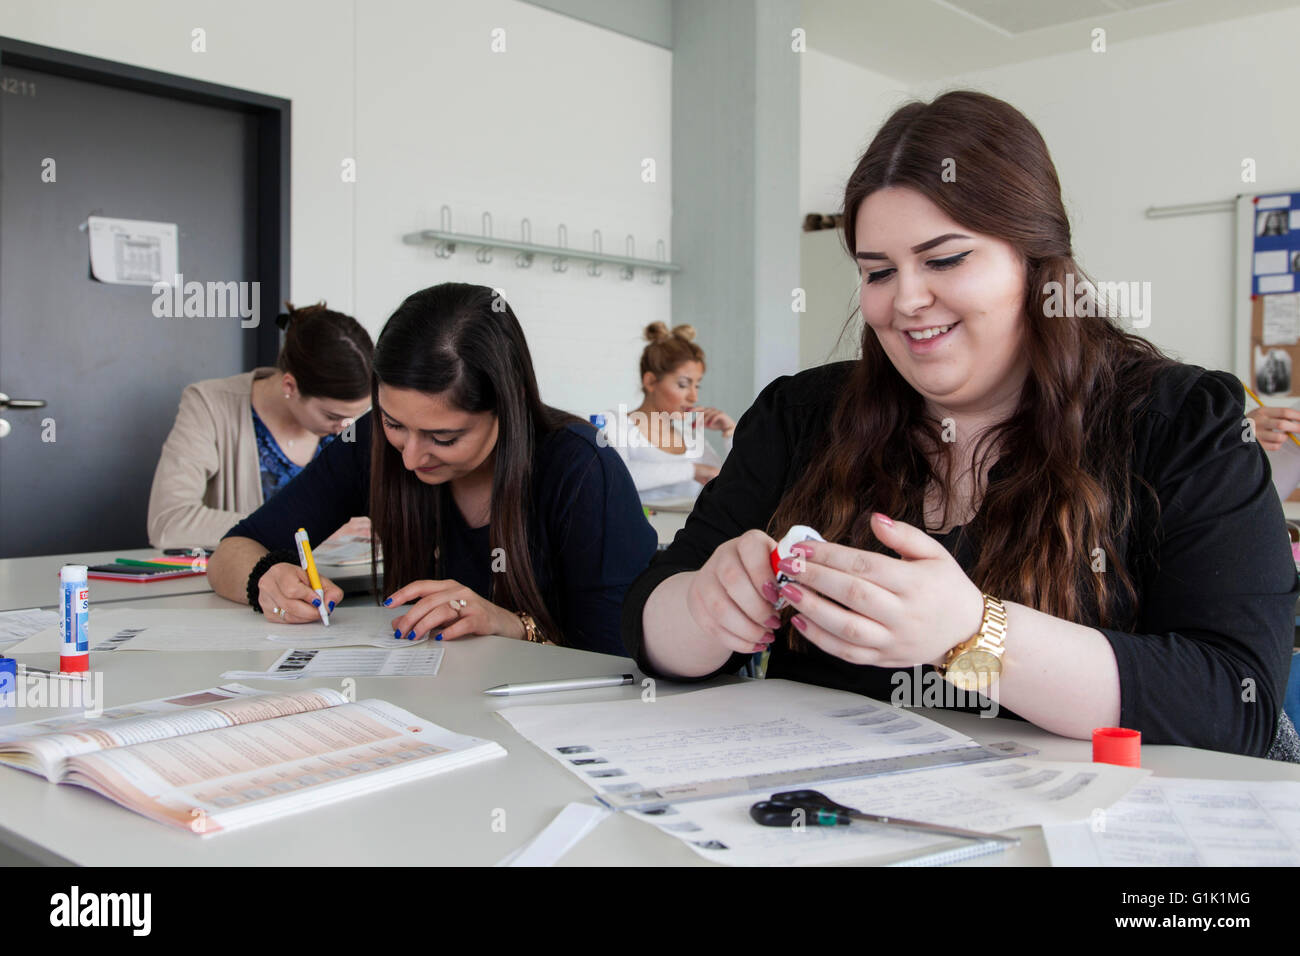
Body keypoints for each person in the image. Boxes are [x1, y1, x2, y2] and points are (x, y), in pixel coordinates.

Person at [622, 90, 1300, 761]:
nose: (908, 300)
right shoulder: (800, 418)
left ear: (1035, 263)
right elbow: (651, 618)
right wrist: (704, 610)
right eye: (879, 271)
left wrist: (973, 638)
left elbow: (1233, 698)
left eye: (945, 259)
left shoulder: (1177, 422)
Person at [207, 283, 656, 655]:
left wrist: (515, 627)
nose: (410, 458)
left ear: (511, 402)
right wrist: (266, 578)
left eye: (444, 438)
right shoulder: (370, 442)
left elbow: (619, 651)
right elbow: (235, 549)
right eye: (394, 423)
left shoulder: (580, 469)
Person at [147, 303, 374, 549]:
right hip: (243, 583)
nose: (345, 429)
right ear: (290, 386)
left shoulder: (348, 426)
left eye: (355, 416)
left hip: (343, 578)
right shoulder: (210, 405)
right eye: (332, 416)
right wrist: (308, 526)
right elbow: (168, 523)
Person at [600, 322, 735, 503]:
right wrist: (693, 471)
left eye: (697, 385)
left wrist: (730, 432)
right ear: (650, 381)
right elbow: (614, 477)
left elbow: (728, 485)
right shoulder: (614, 423)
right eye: (683, 385)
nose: (694, 397)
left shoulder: (689, 435)